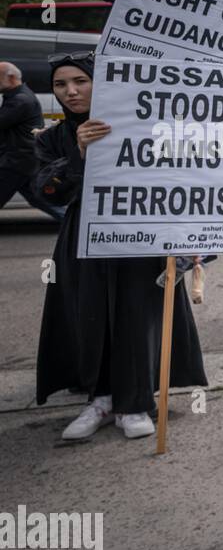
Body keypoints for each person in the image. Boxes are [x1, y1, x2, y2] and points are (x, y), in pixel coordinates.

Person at [34, 51, 207, 441]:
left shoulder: (141, 125)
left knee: (136, 317)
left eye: (80, 82)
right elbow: (45, 187)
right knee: (91, 318)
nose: (70, 92)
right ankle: (101, 398)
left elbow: (178, 175)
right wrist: (80, 155)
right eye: (61, 85)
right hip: (84, 243)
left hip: (138, 238)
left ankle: (135, 403)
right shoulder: (54, 137)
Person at [0, 62, 48, 214]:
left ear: (12, 78)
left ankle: (75, 223)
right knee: (39, 199)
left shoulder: (20, 100)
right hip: (23, 160)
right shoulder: (18, 96)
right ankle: (73, 221)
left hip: (17, 161)